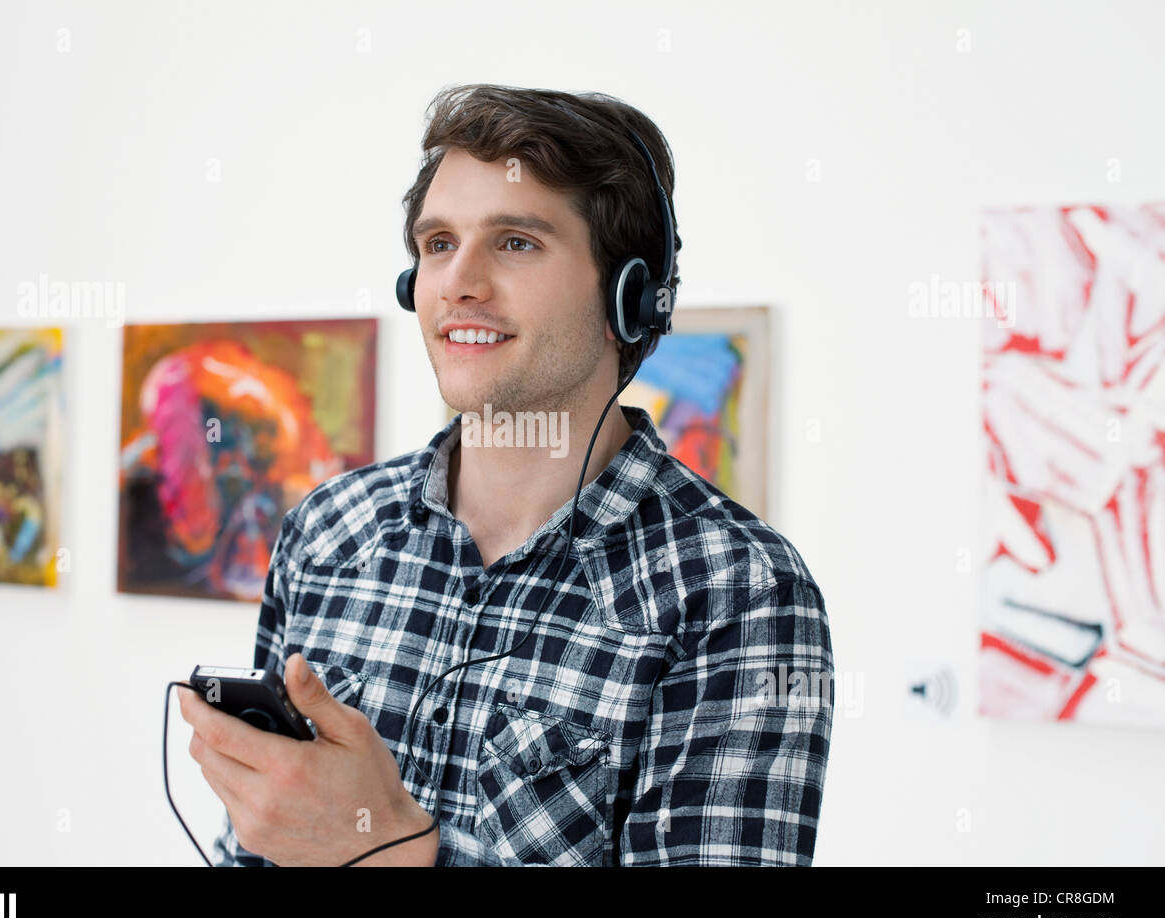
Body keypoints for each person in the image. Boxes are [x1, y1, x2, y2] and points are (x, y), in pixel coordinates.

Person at [176, 82, 835, 866]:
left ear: (630, 297)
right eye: (438, 244)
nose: (459, 282)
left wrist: (399, 853)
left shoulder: (737, 590)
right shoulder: (328, 531)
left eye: (516, 241)